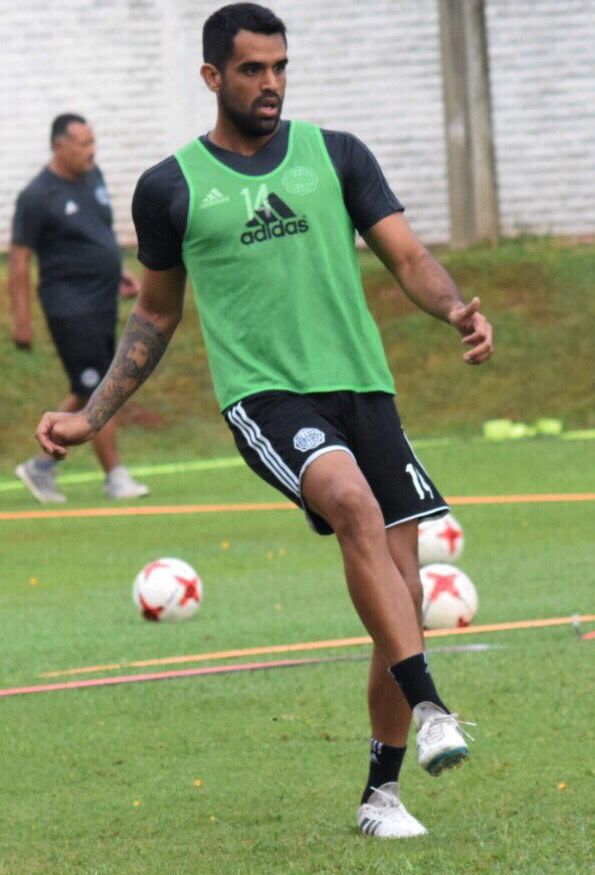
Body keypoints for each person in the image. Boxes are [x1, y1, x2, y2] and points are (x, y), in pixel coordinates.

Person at [36, 3, 492, 839]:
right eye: (252, 69)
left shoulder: (338, 156)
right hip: (268, 400)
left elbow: (408, 257)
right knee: (349, 500)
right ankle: (432, 702)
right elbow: (156, 317)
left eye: (280, 66)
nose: (271, 83)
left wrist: (457, 307)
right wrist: (88, 415)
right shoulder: (171, 187)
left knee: (406, 582)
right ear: (213, 77)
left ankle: (381, 796)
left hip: (363, 388)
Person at [9, 113, 150, 503]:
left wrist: (116, 271)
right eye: (83, 145)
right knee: (96, 386)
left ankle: (41, 466)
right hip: (69, 307)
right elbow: (19, 259)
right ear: (59, 146)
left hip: (102, 300)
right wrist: (21, 321)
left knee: (91, 385)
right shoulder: (37, 196)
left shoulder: (94, 177)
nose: (92, 151)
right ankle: (116, 476)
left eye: (93, 143)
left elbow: (99, 234)